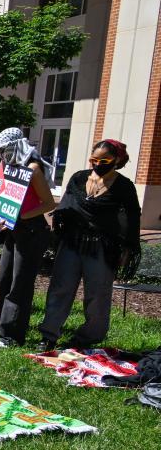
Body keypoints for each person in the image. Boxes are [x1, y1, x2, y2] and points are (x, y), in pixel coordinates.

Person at [38, 139, 141, 351]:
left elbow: (132, 219)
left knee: (97, 294)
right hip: (72, 243)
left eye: (104, 160)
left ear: (117, 160)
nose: (97, 164)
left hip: (102, 248)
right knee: (60, 289)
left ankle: (88, 338)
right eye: (94, 159)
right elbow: (65, 206)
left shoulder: (124, 186)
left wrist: (127, 249)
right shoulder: (78, 178)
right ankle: (49, 335)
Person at [0, 127, 58, 347]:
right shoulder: (8, 166)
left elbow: (48, 203)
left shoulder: (33, 169)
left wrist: (21, 216)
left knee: (20, 283)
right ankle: (0, 329)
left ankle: (12, 336)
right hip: (13, 228)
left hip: (31, 230)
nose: (1, 155)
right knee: (4, 279)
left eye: (3, 150)